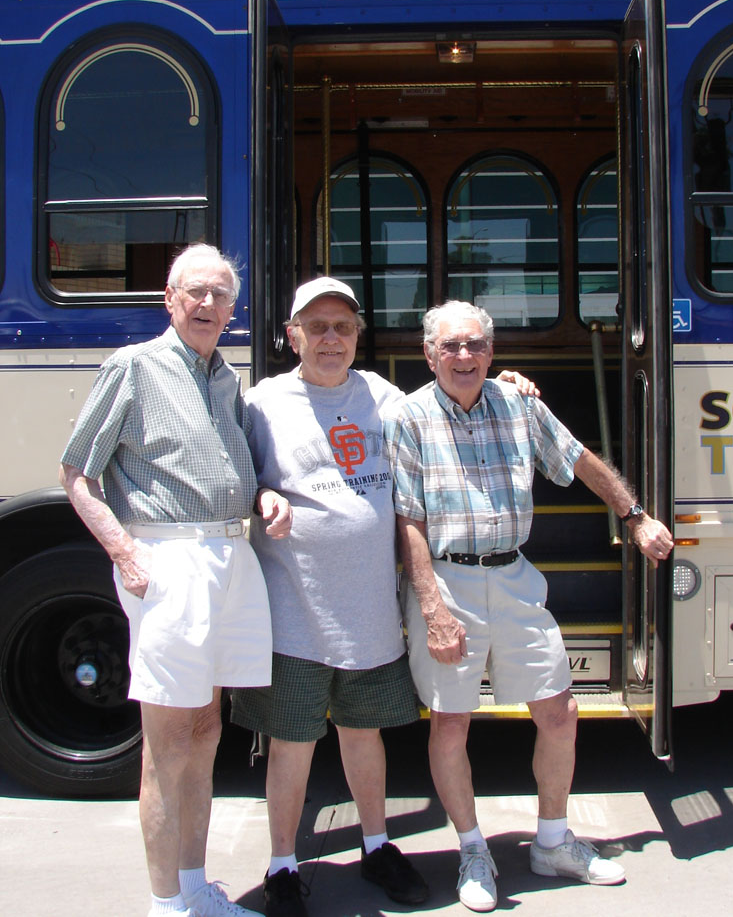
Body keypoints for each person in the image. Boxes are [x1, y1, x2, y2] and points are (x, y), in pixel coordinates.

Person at [231, 277, 538, 917]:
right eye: (316, 327)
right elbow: (235, 478)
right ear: (293, 336)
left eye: (343, 327)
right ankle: (283, 865)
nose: (331, 339)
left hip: (369, 606)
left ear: (357, 336)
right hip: (296, 608)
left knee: (363, 733)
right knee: (292, 741)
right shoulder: (261, 403)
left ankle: (375, 847)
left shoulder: (381, 395)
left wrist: (505, 385)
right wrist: (262, 497)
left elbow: (449, 398)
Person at [384, 300, 674, 913]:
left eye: (475, 345)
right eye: (451, 346)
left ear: (491, 353)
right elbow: (407, 521)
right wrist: (433, 609)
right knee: (452, 722)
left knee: (560, 712)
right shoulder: (407, 418)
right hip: (447, 579)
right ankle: (472, 851)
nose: (464, 356)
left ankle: (551, 842)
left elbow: (579, 460)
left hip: (514, 575)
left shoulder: (518, 403)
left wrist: (636, 515)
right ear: (429, 354)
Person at [59, 243, 292, 917]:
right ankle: (166, 903)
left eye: (221, 295)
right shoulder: (133, 368)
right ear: (169, 299)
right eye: (195, 292)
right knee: (165, 747)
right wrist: (125, 552)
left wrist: (262, 498)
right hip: (168, 564)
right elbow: (78, 472)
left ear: (232, 310)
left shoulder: (226, 378)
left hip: (229, 560)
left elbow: (233, 468)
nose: (209, 305)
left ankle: (196, 887)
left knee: (204, 733)